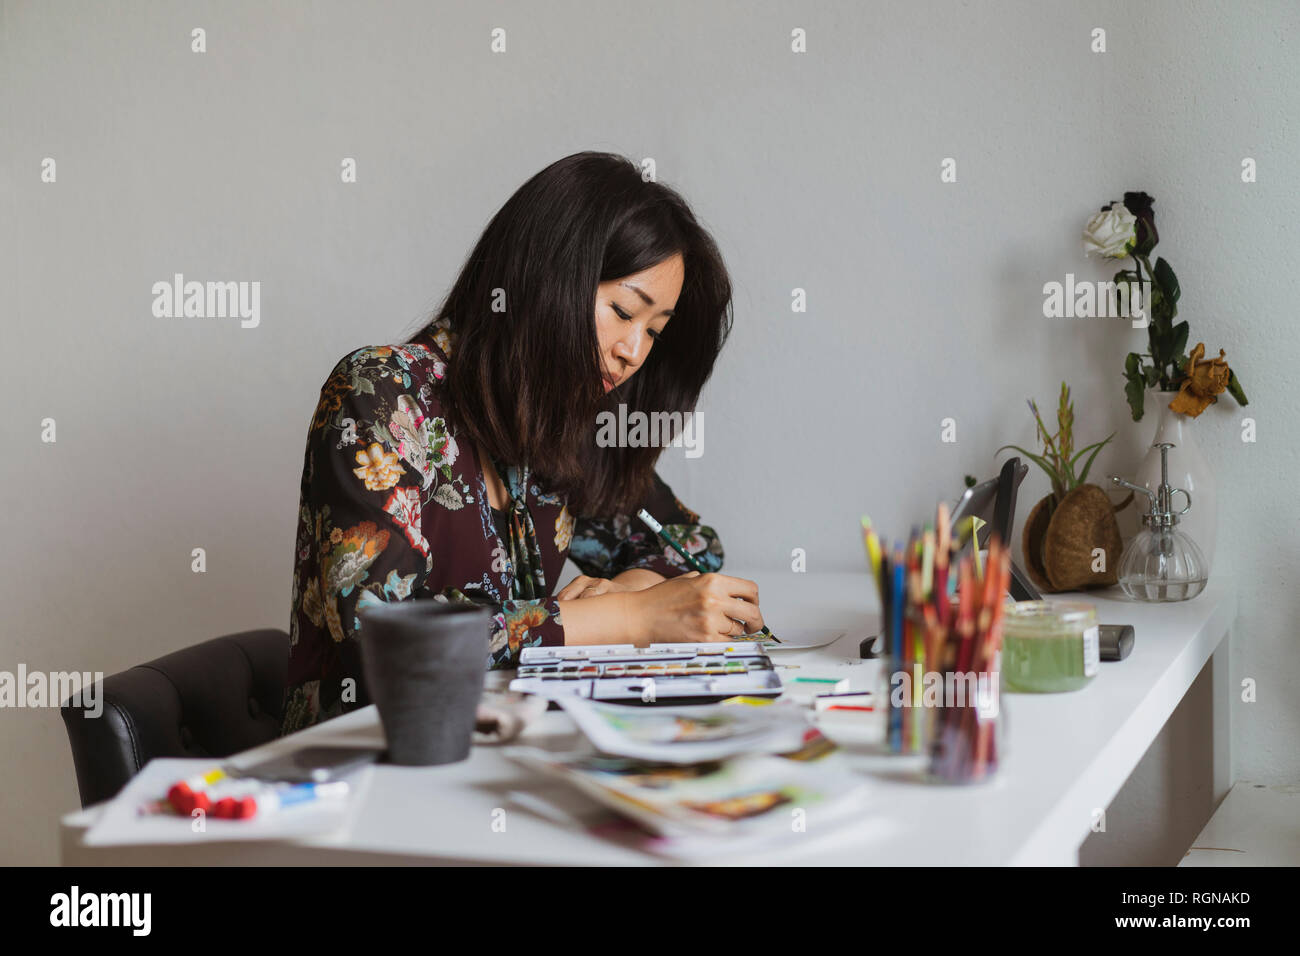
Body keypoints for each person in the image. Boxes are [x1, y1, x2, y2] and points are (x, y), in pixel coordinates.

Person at [281, 151, 766, 735]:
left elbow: (691, 546)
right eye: (622, 311)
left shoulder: (564, 419)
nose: (633, 352)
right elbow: (384, 637)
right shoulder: (383, 392)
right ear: (547, 276)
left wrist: (634, 590)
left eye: (654, 332)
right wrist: (627, 618)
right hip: (361, 769)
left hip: (497, 756)